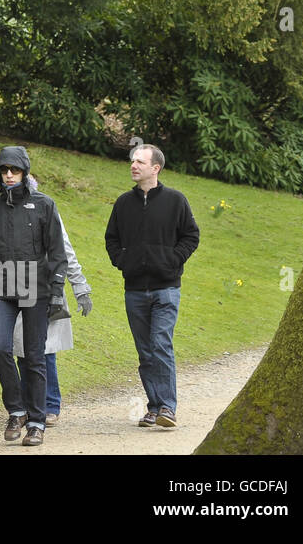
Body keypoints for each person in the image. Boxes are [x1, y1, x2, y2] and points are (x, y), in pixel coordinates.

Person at [0, 146, 68, 447]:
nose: (9, 175)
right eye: (4, 170)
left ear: (25, 172)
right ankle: (16, 410)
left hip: (36, 291)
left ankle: (37, 422)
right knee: (0, 348)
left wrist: (56, 292)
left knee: (34, 355)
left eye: (15, 170)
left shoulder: (44, 206)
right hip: (1, 291)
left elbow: (57, 253)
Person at [104, 143, 199, 428]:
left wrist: (172, 260)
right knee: (145, 351)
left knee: (160, 344)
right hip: (134, 290)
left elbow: (191, 236)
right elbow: (112, 239)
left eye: (140, 162)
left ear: (155, 168)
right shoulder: (123, 203)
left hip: (166, 288)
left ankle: (167, 407)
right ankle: (154, 407)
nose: (133, 166)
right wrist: (123, 261)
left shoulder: (176, 201)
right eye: (132, 161)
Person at [11, 175, 92, 426]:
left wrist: (80, 286)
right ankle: (28, 405)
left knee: (43, 349)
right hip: (14, 288)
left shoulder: (46, 210)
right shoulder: (4, 213)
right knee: (21, 348)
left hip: (45, 287)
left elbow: (65, 250)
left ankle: (50, 403)